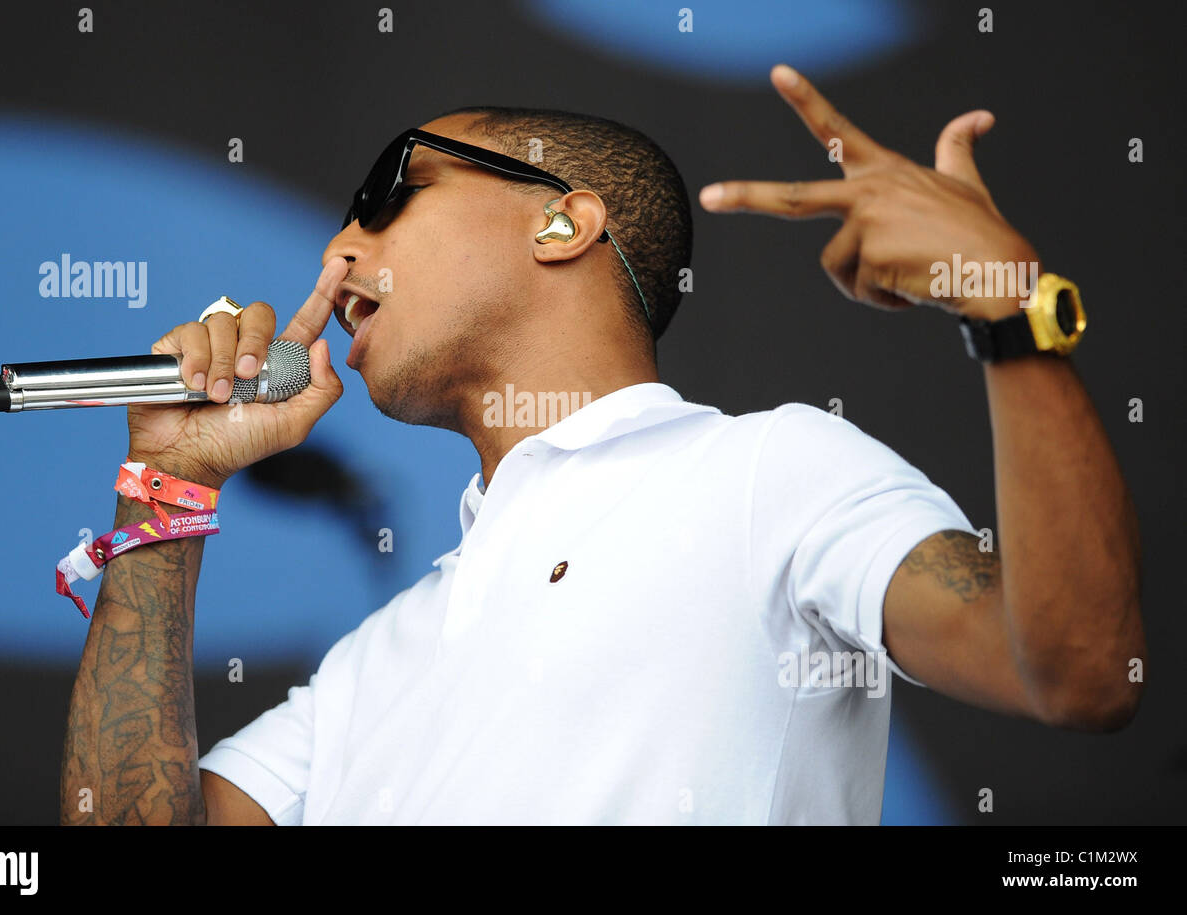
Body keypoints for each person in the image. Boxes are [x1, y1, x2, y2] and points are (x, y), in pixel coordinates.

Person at [59, 65, 1144, 825]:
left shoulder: (772, 472)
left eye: (388, 195)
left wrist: (1008, 310)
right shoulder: (370, 666)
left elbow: (1080, 672)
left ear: (561, 223)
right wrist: (171, 482)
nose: (341, 250)